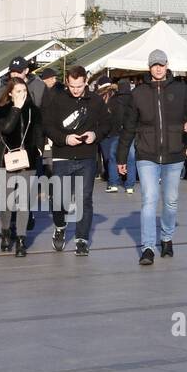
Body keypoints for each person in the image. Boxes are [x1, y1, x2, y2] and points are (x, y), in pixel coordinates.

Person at [118, 50, 187, 264]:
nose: (158, 68)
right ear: (149, 67)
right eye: (154, 65)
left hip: (174, 153)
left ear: (167, 66)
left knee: (171, 201)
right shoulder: (138, 93)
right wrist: (120, 157)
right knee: (149, 200)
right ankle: (147, 248)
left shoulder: (181, 90)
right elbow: (128, 126)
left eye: (161, 65)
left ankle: (166, 238)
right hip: (146, 154)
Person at [43, 65, 111, 255]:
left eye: (79, 86)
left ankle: (82, 239)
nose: (76, 90)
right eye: (72, 86)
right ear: (67, 83)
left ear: (85, 82)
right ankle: (60, 226)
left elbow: (107, 124)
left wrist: (95, 134)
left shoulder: (96, 101)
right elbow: (47, 125)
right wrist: (64, 138)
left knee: (84, 199)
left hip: (87, 156)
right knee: (59, 198)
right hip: (62, 155)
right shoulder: (57, 99)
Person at [0, 76, 43, 256]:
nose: (22, 94)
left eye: (24, 91)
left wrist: (39, 149)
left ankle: (21, 239)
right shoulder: (1, 110)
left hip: (27, 161)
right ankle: (6, 231)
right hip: (5, 161)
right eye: (18, 91)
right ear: (11, 93)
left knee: (23, 203)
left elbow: (38, 131)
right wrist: (16, 109)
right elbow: (5, 128)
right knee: (6, 202)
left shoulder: (33, 110)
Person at [105, 78, 137, 194]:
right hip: (130, 133)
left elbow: (108, 117)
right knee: (131, 159)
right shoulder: (134, 99)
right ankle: (130, 185)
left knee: (113, 158)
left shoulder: (113, 100)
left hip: (115, 132)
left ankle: (113, 183)